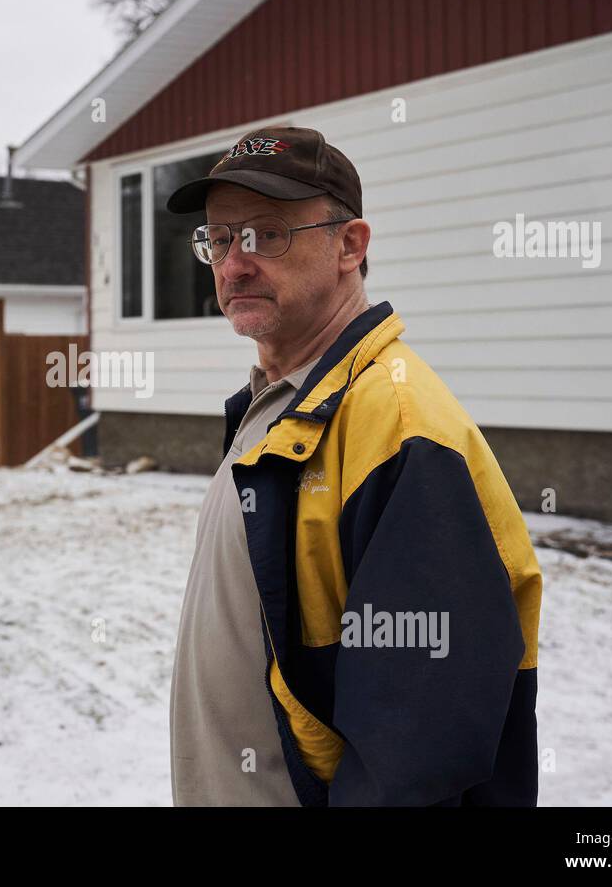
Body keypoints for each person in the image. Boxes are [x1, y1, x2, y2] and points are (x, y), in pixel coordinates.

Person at [166, 126, 542, 806]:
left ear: (350, 245)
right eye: (219, 239)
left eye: (265, 235)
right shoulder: (281, 405)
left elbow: (417, 757)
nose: (233, 264)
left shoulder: (399, 431)